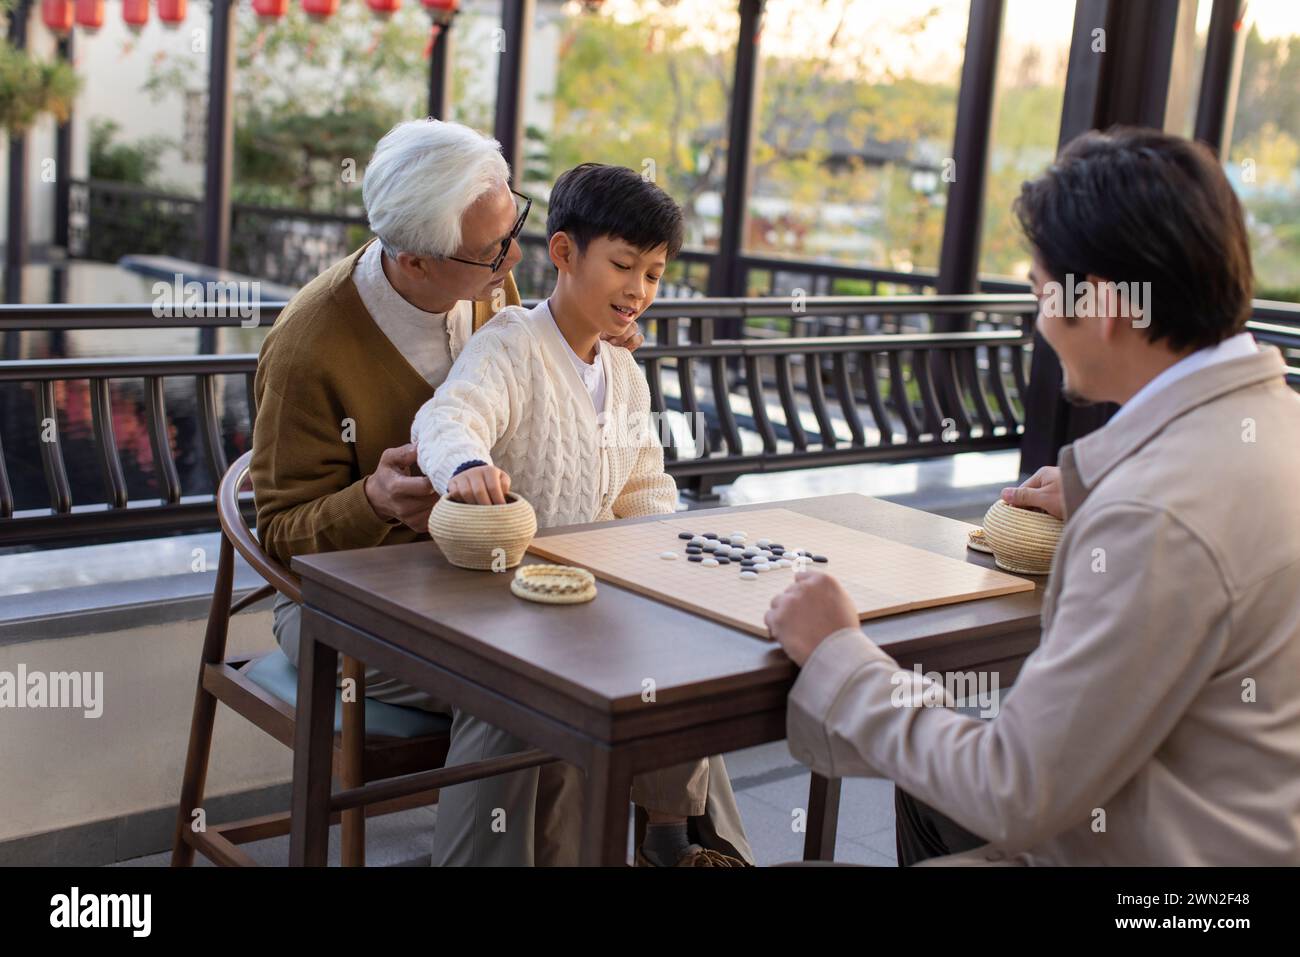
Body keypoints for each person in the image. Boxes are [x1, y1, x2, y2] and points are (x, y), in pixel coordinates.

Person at [765, 127, 1300, 865]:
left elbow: (1013, 785)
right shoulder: (1273, 427)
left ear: (1107, 305)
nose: (1040, 321)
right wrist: (1097, 498)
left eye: (1041, 295)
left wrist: (838, 652)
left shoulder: (1154, 515)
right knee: (929, 783)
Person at [251, 120, 643, 866]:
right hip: (336, 605)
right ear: (415, 260)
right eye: (495, 250)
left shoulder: (492, 285)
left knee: (581, 674)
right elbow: (280, 531)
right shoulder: (310, 345)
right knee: (526, 692)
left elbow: (530, 383)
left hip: (477, 579)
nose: (517, 257)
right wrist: (368, 500)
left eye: (516, 224)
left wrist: (591, 344)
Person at [411, 163, 754, 867]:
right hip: (503, 604)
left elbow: (648, 497)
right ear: (563, 253)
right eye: (623, 265)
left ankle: (675, 842)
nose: (638, 290)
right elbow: (450, 415)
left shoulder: (625, 375)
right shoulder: (511, 342)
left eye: (654, 274)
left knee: (685, 653)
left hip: (592, 607)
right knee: (543, 704)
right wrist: (465, 465)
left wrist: (677, 570)